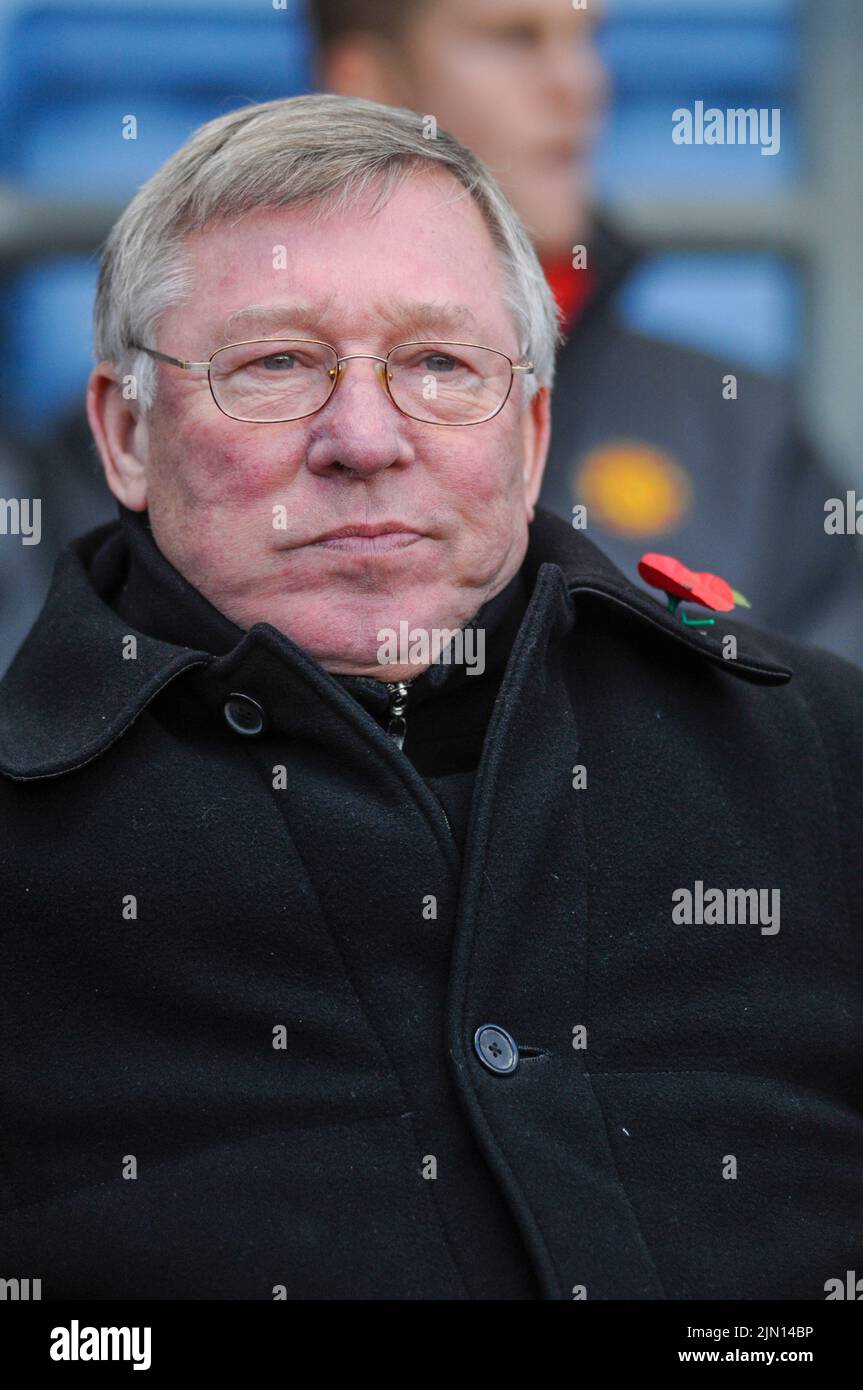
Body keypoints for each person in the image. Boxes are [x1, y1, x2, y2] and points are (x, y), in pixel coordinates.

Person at [0, 94, 860, 1301]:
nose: (363, 438)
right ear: (126, 433)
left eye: (440, 365)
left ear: (532, 433)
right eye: (275, 363)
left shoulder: (821, 758)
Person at [312, 0, 863, 664]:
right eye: (515, 38)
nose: (579, 82)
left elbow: (827, 715)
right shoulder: (241, 418)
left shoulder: (742, 428)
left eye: (586, 39)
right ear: (368, 83)